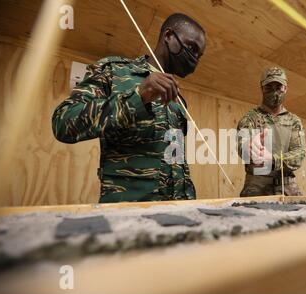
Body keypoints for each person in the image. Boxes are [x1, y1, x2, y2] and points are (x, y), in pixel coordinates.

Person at [52, 13, 206, 203]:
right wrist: (139, 96)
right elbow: (63, 122)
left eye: (199, 55)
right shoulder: (115, 71)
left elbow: (175, 162)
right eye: (192, 48)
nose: (195, 58)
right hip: (129, 211)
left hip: (178, 211)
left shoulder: (178, 99)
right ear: (168, 36)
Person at [237, 67, 306, 196]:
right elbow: (242, 146)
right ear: (262, 88)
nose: (274, 92)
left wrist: (273, 160)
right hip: (256, 188)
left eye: (278, 87)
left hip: (288, 189)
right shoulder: (250, 119)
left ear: (285, 88)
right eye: (269, 87)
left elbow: (299, 154)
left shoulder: (294, 121)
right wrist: (249, 147)